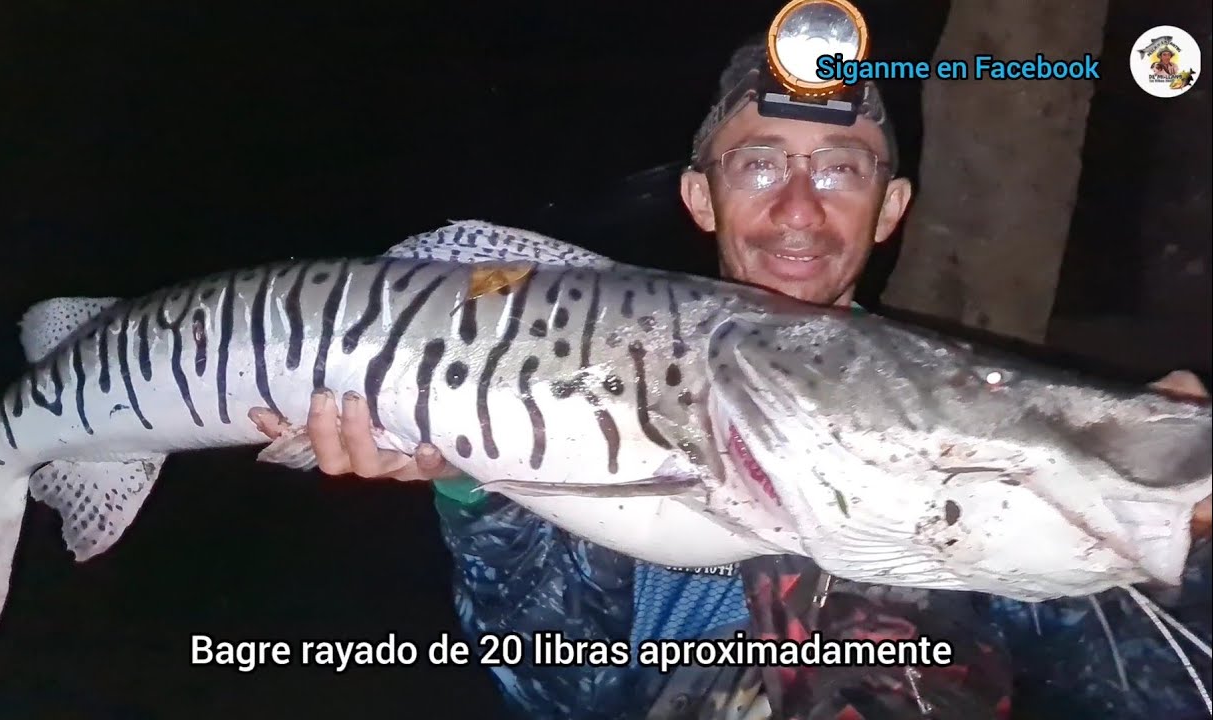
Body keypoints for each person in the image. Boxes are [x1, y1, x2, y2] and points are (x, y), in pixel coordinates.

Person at [250, 35, 1211, 720]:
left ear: (891, 210)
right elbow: (558, 692)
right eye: (760, 165)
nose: (800, 208)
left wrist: (1185, 545)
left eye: (842, 170)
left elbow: (1142, 698)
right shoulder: (550, 393)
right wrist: (474, 486)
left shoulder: (984, 435)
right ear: (700, 198)